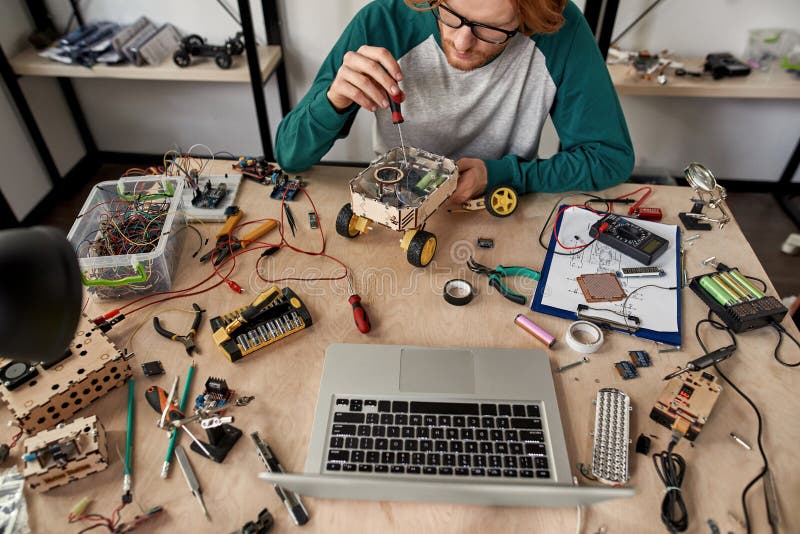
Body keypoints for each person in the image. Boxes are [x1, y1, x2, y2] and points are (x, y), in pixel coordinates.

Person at [275, 0, 634, 204]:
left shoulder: (560, 29)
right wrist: (333, 100)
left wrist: (503, 175)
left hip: (502, 203)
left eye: (491, 29)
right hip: (395, 204)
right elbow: (290, 156)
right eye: (450, 13)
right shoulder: (382, 20)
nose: (462, 43)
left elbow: (609, 159)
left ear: (529, 19)